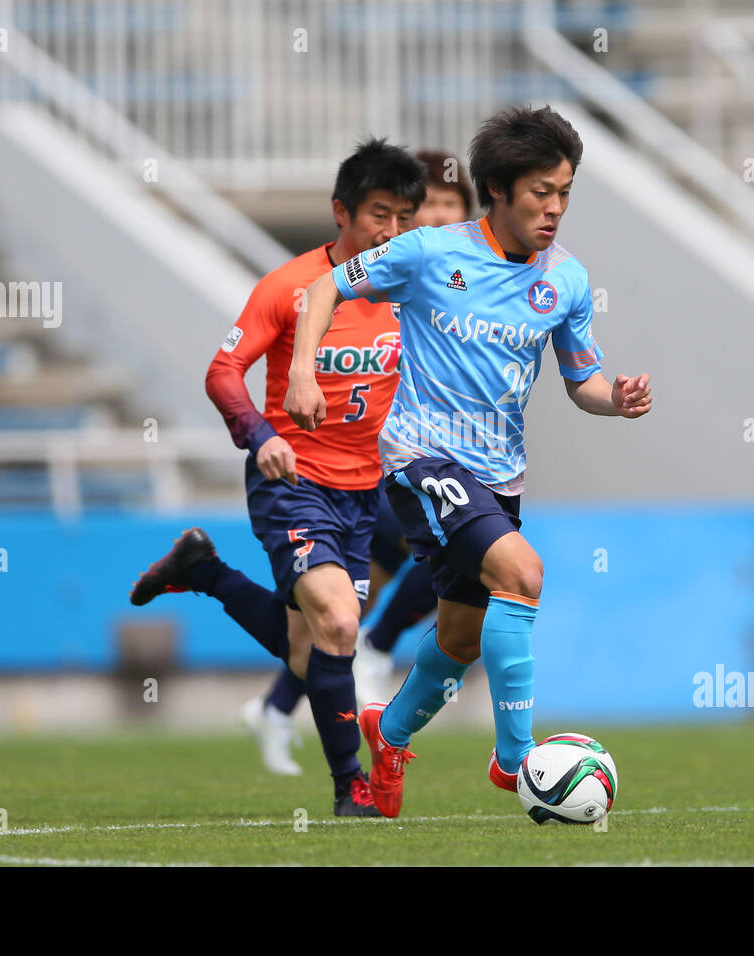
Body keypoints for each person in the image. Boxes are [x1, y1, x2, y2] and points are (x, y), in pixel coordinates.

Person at [285, 106, 653, 818]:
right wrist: (303, 373)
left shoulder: (567, 282)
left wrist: (620, 397)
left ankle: (387, 735)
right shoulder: (428, 253)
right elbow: (324, 286)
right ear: (499, 188)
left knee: (459, 638)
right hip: (422, 458)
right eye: (541, 191)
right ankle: (517, 764)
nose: (555, 207)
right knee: (524, 571)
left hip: (499, 476)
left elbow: (584, 382)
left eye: (566, 192)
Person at [128, 139, 426, 816]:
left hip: (362, 494)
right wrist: (259, 435)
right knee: (342, 626)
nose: (391, 231)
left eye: (404, 218)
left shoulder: (411, 292)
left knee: (309, 655)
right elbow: (222, 372)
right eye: (379, 214)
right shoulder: (289, 286)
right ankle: (351, 786)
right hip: (292, 482)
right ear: (340, 213)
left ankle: (203, 571)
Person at [351, 149, 476, 707]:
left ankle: (376, 649)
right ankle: (362, 652)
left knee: (463, 552)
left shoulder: (471, 285)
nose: (438, 216)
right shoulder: (387, 276)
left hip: (447, 454)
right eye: (427, 206)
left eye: (452, 205)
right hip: (371, 454)